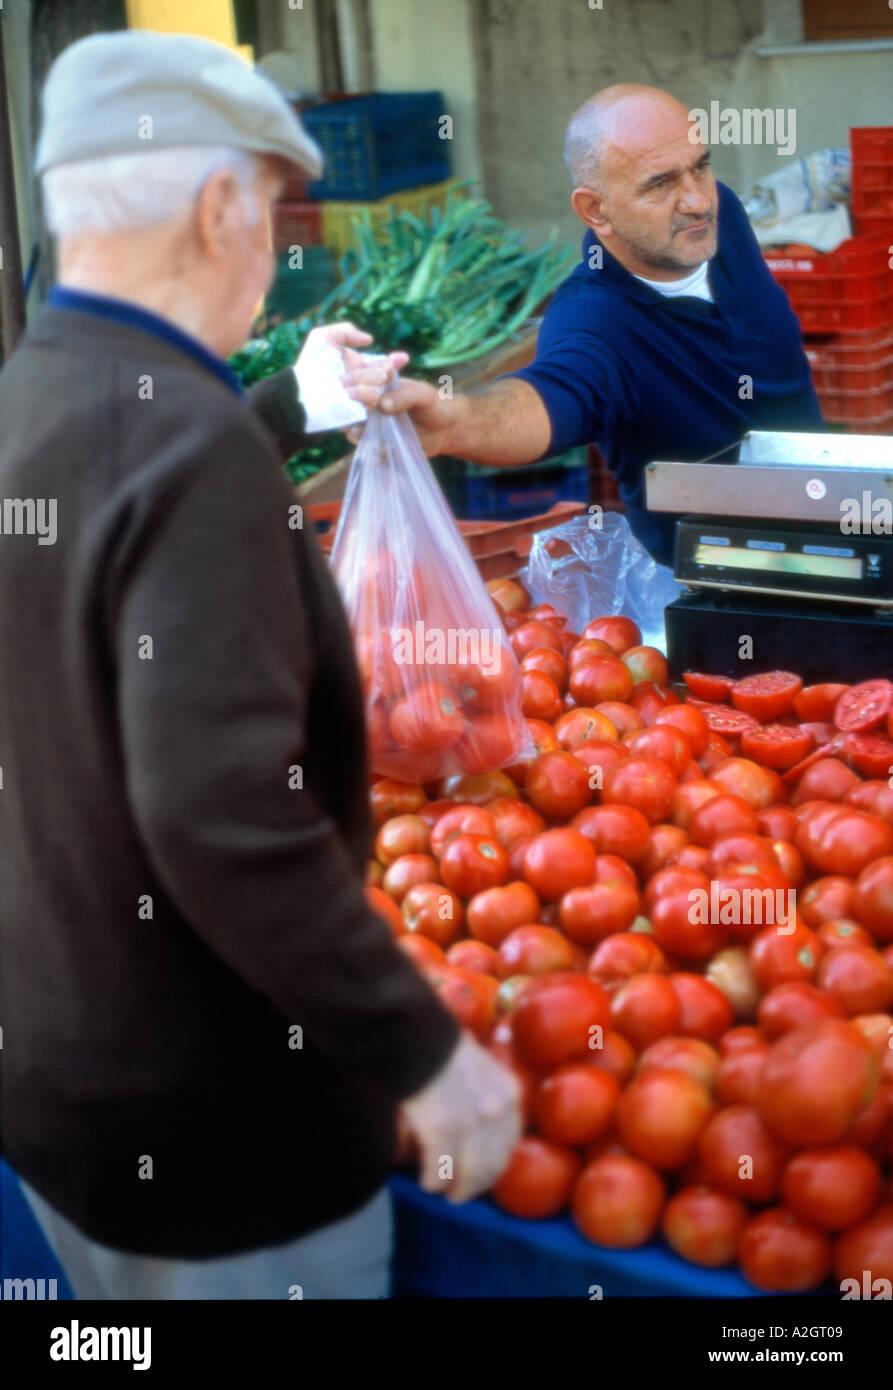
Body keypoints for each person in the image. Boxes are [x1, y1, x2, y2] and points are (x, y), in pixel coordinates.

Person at [0, 30, 520, 1301]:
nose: (275, 242)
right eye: (275, 207)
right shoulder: (185, 452)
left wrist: (281, 409)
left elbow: (122, 522)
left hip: (67, 1086)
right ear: (220, 204)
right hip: (219, 1136)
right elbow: (220, 811)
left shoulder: (34, 396)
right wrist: (424, 1051)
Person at [384, 83, 824, 565]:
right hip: (724, 581)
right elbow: (550, 397)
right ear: (596, 210)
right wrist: (456, 422)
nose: (697, 200)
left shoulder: (722, 217)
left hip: (833, 530)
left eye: (700, 166)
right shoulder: (594, 320)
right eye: (660, 184)